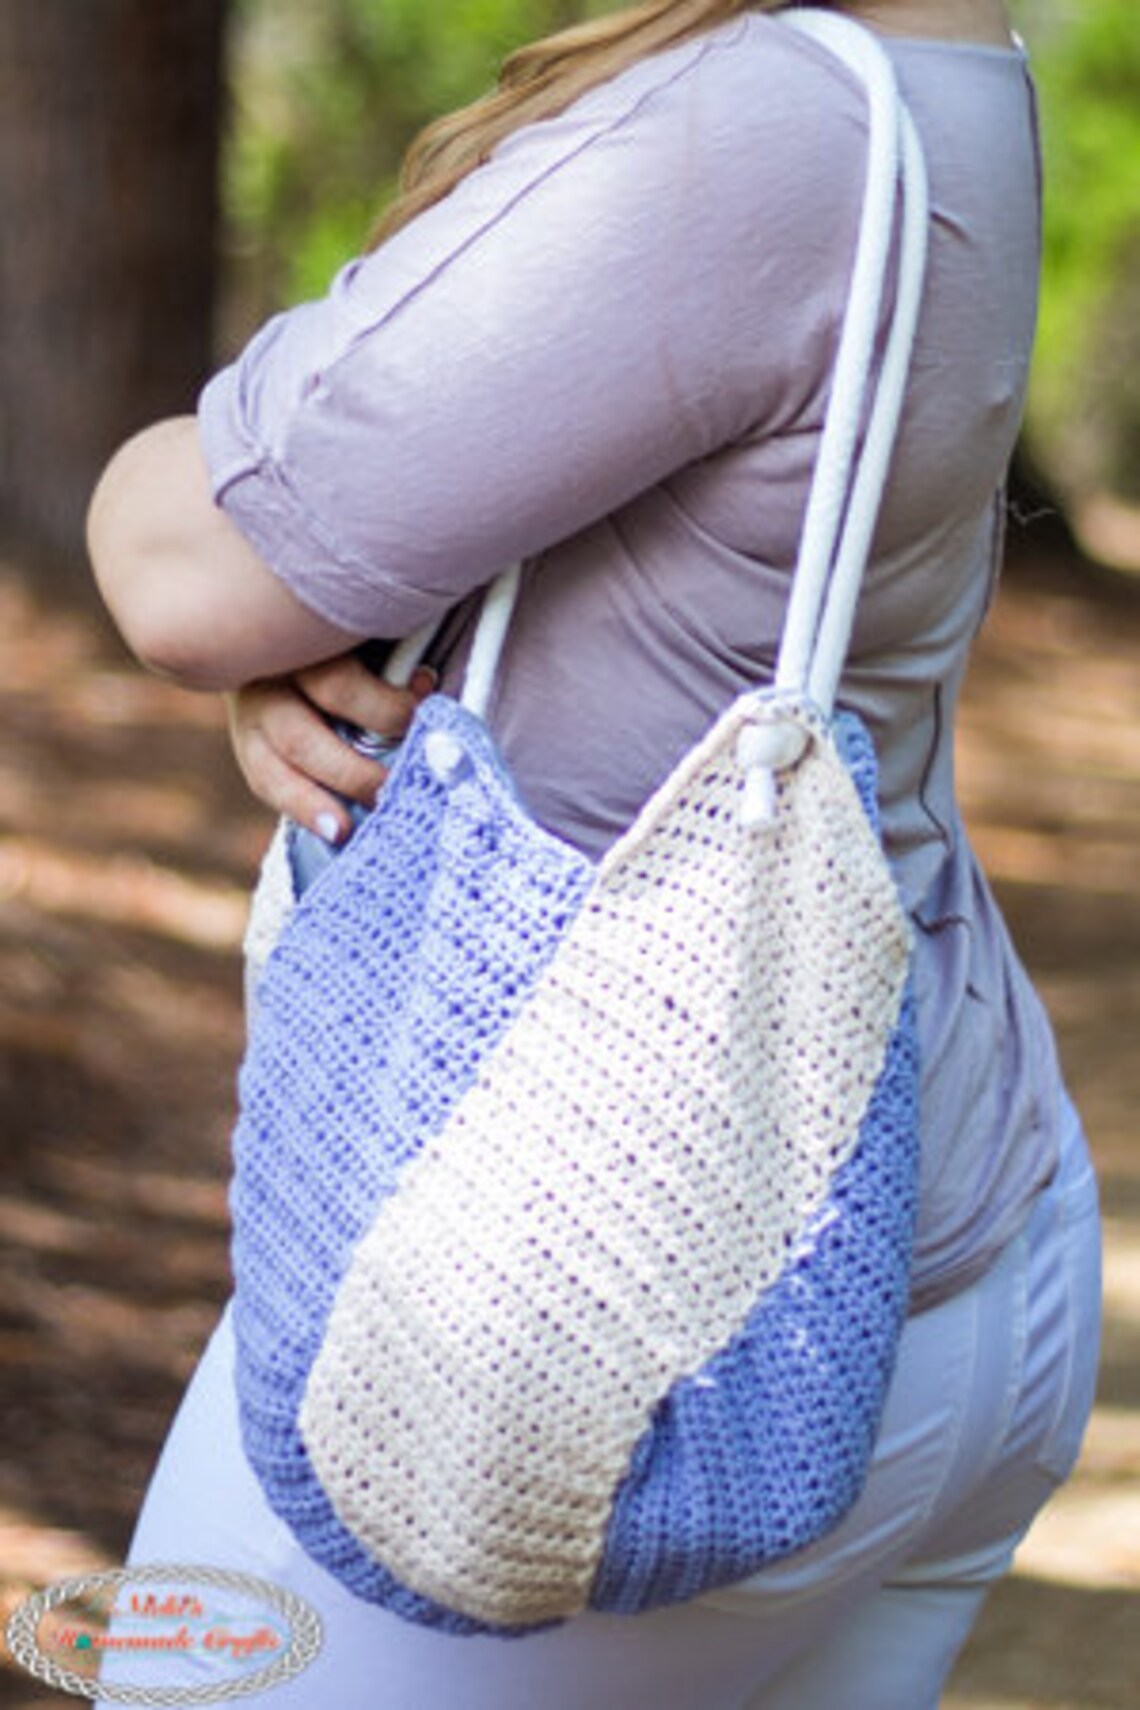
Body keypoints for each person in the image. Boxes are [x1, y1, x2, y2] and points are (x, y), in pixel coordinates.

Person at [87, 2, 1102, 1705]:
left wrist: (175, 522)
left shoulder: (757, 129)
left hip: (605, 1282)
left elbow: (187, 565)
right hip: (939, 1229)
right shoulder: (948, 75)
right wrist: (332, 649)